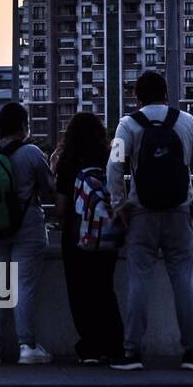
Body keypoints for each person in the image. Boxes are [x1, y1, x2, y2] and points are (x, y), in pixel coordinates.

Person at [107, 70, 193, 371]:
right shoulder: (186, 121)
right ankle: (192, 353)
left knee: (139, 282)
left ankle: (132, 353)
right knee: (184, 281)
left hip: (141, 213)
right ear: (167, 93)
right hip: (180, 211)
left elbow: (114, 166)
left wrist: (120, 204)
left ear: (137, 96)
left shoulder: (127, 125)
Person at [0, 102, 55, 364]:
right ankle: (26, 347)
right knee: (23, 286)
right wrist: (52, 165)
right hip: (27, 228)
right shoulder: (32, 153)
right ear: (24, 125)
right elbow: (49, 189)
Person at [52, 112, 125, 364]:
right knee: (105, 289)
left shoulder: (68, 161)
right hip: (107, 233)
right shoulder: (108, 158)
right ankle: (115, 346)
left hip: (76, 234)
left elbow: (61, 208)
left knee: (80, 292)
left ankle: (90, 347)